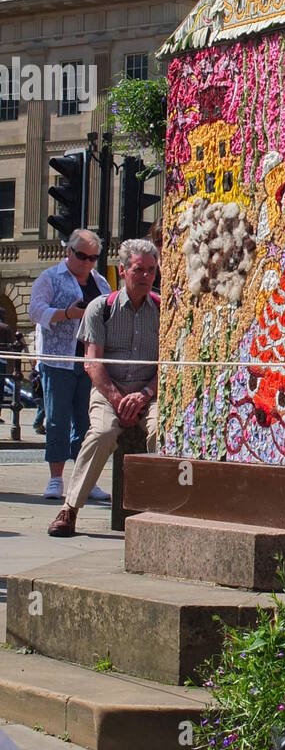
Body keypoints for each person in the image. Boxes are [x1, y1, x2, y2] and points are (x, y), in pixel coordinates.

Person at [47, 239, 159, 538]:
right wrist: (117, 398)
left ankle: (160, 510)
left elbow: (170, 366)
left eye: (151, 270)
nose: (146, 276)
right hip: (109, 391)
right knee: (102, 433)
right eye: (139, 269)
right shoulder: (101, 307)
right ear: (123, 270)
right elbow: (92, 363)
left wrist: (145, 394)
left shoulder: (162, 309)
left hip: (149, 394)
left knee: (163, 431)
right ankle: (69, 509)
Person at [28, 229, 111, 502]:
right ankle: (55, 479)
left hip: (89, 362)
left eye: (93, 258)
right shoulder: (50, 278)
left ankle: (85, 479)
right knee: (57, 420)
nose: (87, 262)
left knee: (87, 424)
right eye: (82, 256)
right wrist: (66, 314)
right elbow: (35, 311)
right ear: (68, 252)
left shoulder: (100, 283)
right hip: (58, 360)